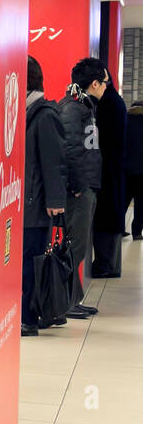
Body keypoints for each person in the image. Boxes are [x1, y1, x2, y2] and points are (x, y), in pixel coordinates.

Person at [21, 56, 68, 336]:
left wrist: (55, 202)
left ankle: (30, 317)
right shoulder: (25, 111)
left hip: (37, 205)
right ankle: (31, 313)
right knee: (28, 261)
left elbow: (54, 162)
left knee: (33, 262)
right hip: (25, 203)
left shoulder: (45, 115)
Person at [57, 57, 107, 318]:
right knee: (74, 245)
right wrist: (78, 186)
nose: (106, 87)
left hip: (87, 185)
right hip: (79, 189)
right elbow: (70, 151)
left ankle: (72, 300)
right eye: (105, 83)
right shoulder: (73, 109)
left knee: (77, 244)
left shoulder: (84, 107)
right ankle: (64, 302)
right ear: (95, 83)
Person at [90, 69, 128, 278]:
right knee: (111, 215)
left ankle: (105, 265)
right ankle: (109, 264)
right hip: (114, 168)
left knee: (105, 216)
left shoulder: (108, 103)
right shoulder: (116, 101)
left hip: (106, 168)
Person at [127, 100, 143, 240]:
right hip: (141, 170)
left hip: (126, 169)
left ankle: (118, 229)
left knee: (123, 201)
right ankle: (136, 232)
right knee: (140, 204)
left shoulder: (125, 120)